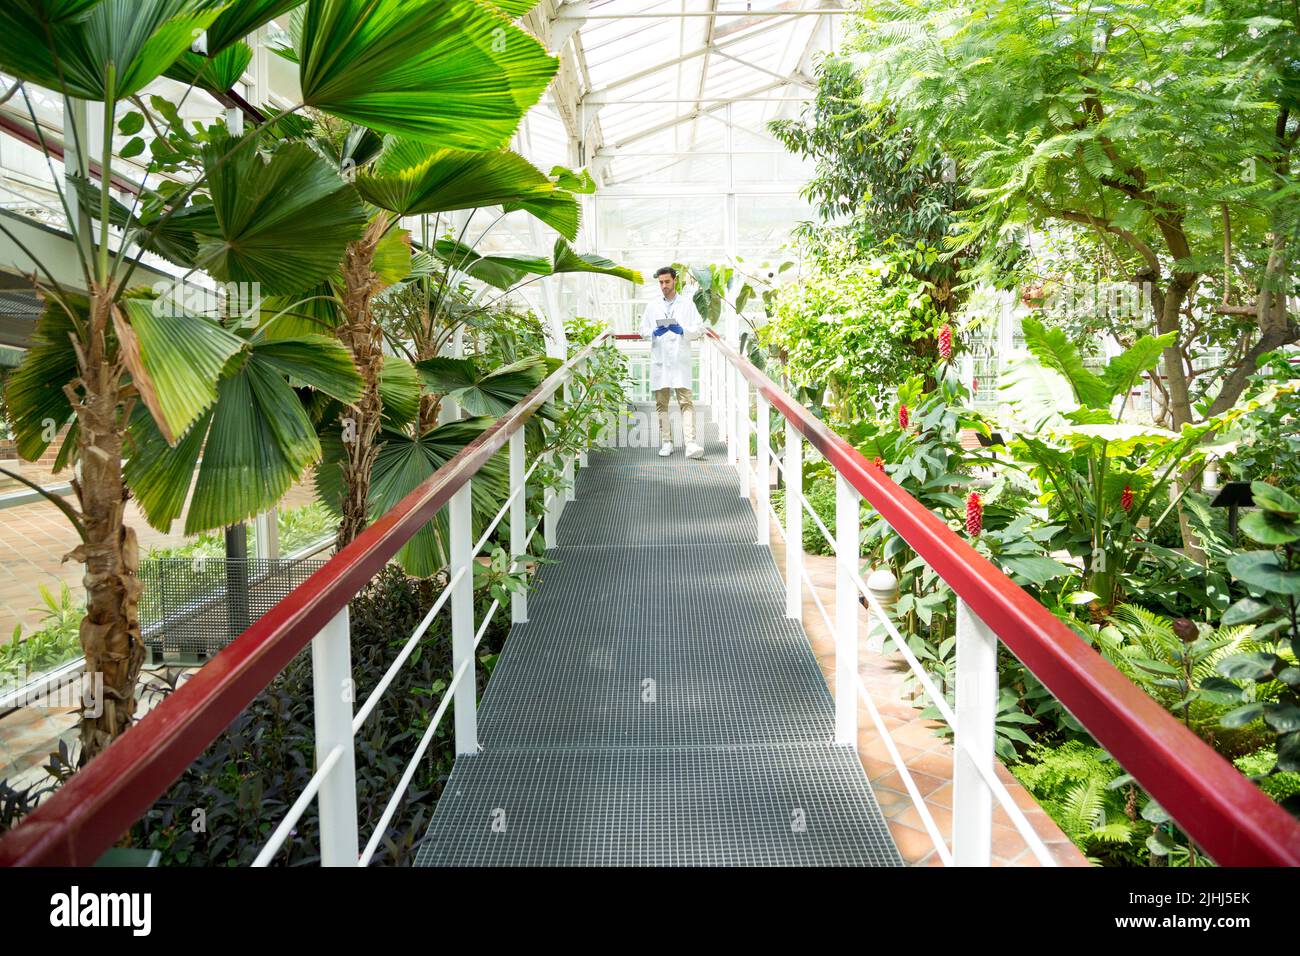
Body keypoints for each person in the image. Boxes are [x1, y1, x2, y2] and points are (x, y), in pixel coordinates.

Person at [640, 266, 704, 458]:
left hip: (679, 360)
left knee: (686, 402)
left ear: (675, 280)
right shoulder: (652, 306)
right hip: (660, 361)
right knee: (662, 404)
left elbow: (699, 327)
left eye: (667, 281)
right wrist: (652, 333)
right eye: (661, 282)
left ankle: (690, 443)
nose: (664, 286)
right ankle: (666, 442)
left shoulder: (688, 305)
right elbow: (642, 329)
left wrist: (682, 330)